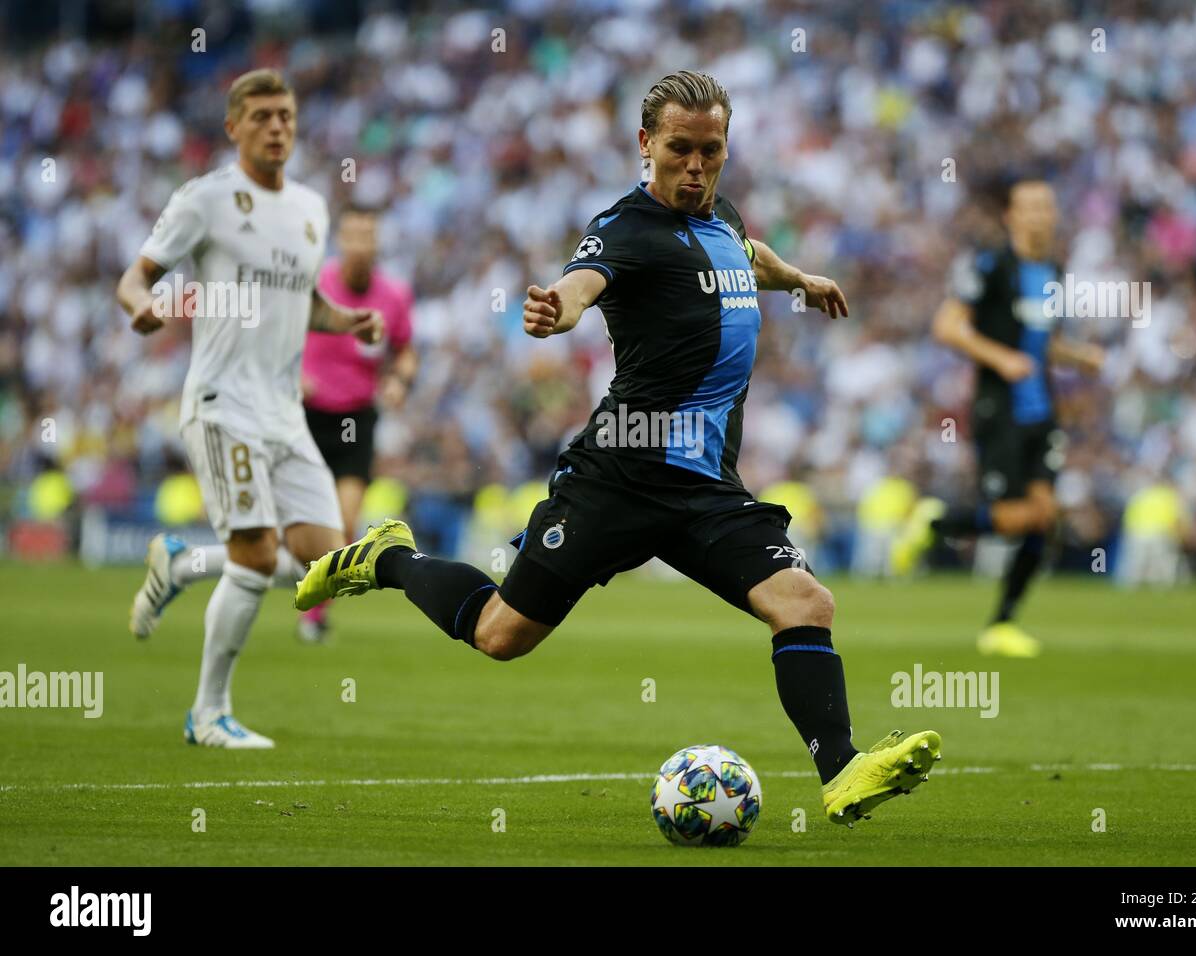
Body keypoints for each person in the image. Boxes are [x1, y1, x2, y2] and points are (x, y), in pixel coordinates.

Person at [296, 71, 942, 827]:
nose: (696, 168)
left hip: (704, 486)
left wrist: (799, 278)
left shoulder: (721, 216)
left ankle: (842, 772)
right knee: (502, 635)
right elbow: (581, 283)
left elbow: (746, 253)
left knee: (805, 602)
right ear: (645, 145)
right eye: (679, 151)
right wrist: (553, 311)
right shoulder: (625, 229)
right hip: (619, 475)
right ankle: (387, 559)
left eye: (712, 151)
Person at [118, 69, 382, 747]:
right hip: (222, 404)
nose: (276, 127)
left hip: (283, 414)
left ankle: (182, 565)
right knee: (258, 558)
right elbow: (138, 275)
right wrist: (140, 307)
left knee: (328, 569)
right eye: (261, 116)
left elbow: (301, 302)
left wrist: (346, 320)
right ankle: (208, 714)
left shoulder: (310, 209)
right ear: (233, 126)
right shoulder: (205, 199)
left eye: (286, 116)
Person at [892, 176, 1104, 657]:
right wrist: (1000, 358)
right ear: (1010, 215)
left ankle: (1002, 623)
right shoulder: (989, 265)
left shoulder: (1053, 268)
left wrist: (1076, 358)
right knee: (1018, 517)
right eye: (1029, 207)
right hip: (999, 406)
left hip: (1041, 406)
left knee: (1044, 517)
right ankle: (936, 523)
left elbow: (1039, 340)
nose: (1040, 216)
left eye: (1047, 207)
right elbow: (947, 327)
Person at [297, 204, 416, 643]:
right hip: (307, 415)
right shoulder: (317, 284)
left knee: (343, 521)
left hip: (357, 419)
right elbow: (280, 334)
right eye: (353, 236)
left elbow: (405, 349)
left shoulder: (394, 294)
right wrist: (294, 374)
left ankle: (314, 614)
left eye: (368, 236)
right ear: (340, 240)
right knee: (302, 520)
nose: (361, 245)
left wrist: (400, 381)